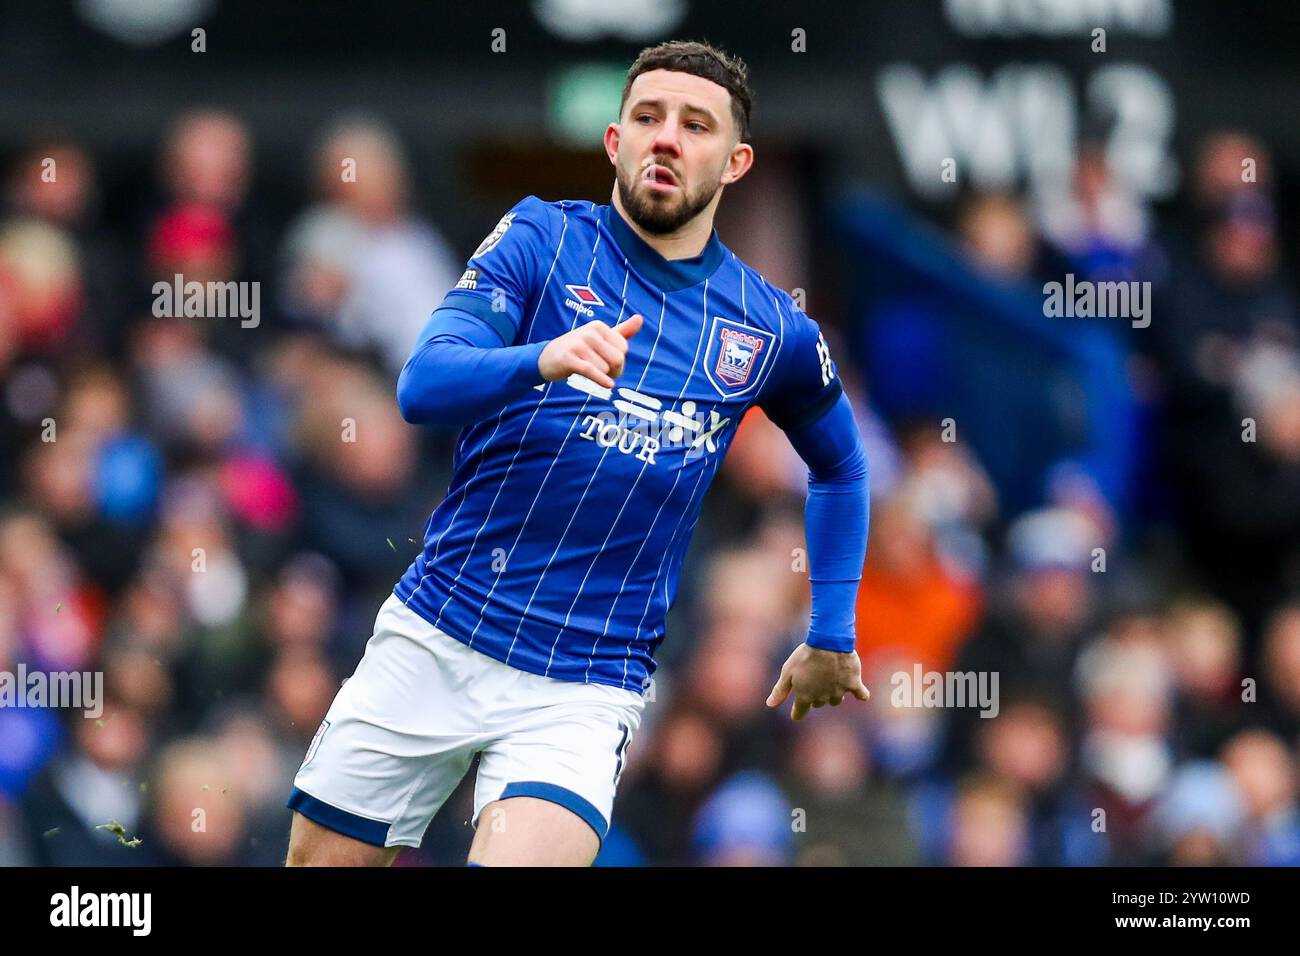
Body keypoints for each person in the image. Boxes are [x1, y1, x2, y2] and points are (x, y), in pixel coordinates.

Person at [284, 39, 871, 867]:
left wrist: (831, 629)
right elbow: (423, 386)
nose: (666, 138)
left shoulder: (768, 326)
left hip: (583, 680)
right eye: (647, 118)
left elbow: (841, 464)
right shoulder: (540, 239)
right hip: (441, 628)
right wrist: (542, 358)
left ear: (736, 162)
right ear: (614, 141)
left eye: (695, 125)